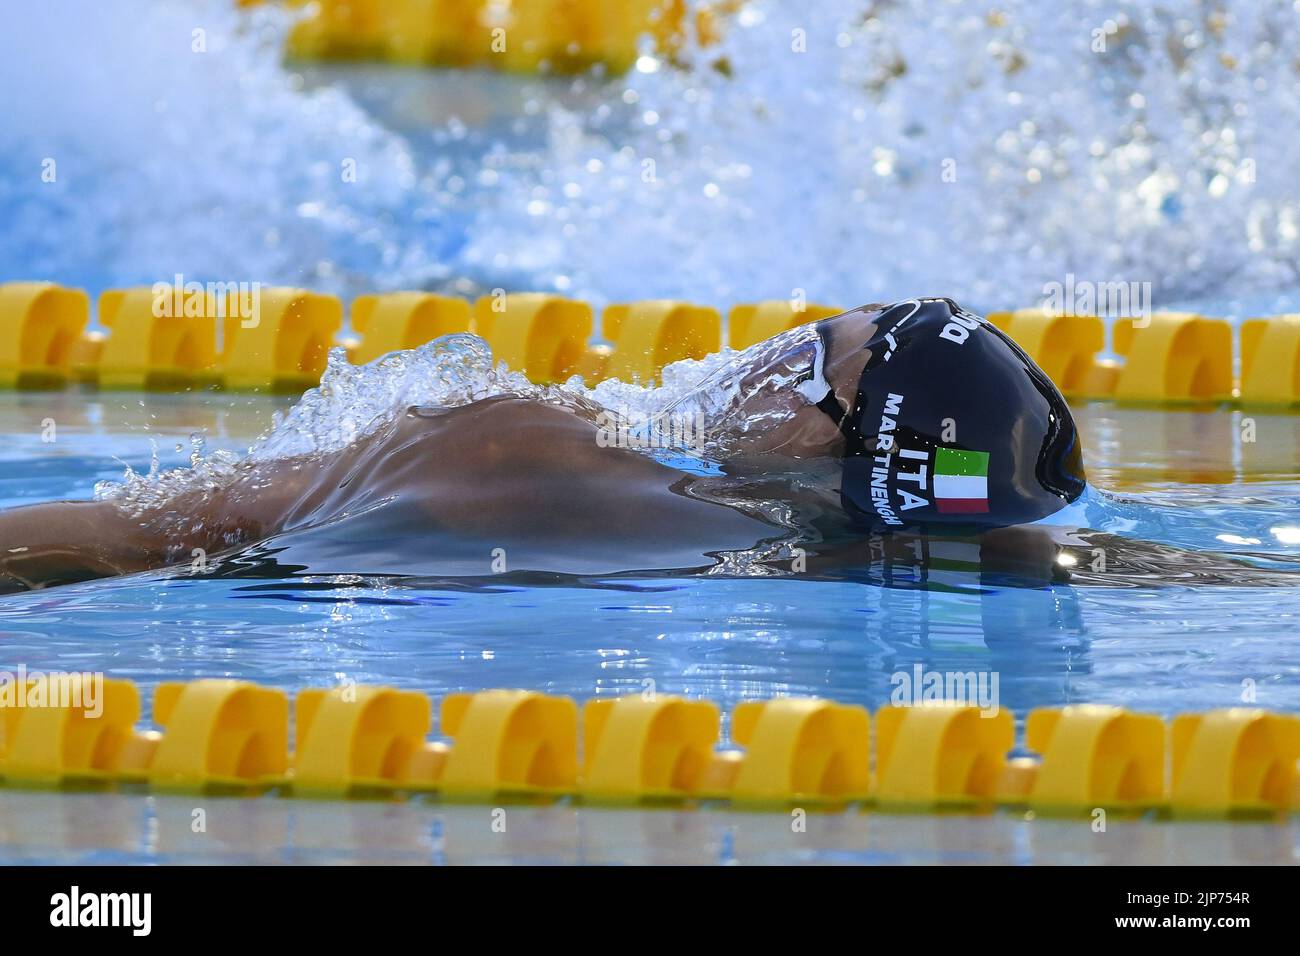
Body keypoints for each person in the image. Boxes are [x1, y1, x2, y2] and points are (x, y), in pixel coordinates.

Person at [0, 297, 1246, 593]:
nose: (768, 346)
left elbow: (136, 531)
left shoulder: (518, 434)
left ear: (814, 427)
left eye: (812, 345)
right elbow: (1038, 550)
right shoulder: (806, 542)